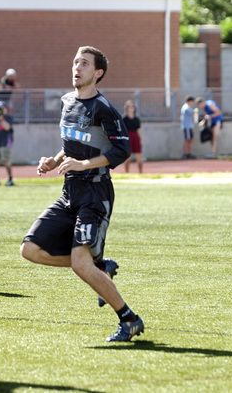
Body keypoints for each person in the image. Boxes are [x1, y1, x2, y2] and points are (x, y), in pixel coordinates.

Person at [20, 46, 143, 343]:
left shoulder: (105, 109)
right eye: (76, 62)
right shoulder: (67, 102)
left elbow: (122, 150)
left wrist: (84, 164)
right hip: (69, 192)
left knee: (79, 264)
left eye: (85, 64)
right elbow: (73, 143)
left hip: (95, 193)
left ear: (97, 73)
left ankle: (129, 319)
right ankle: (100, 268)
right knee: (30, 250)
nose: (77, 67)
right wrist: (53, 160)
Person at [122, 100, 143, 173]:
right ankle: (126, 172)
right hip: (128, 137)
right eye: (129, 106)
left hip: (135, 137)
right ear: (126, 108)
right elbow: (122, 130)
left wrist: (141, 140)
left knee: (139, 157)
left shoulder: (136, 119)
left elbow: (139, 130)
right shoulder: (124, 119)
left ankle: (140, 172)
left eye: (132, 106)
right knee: (128, 157)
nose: (131, 108)